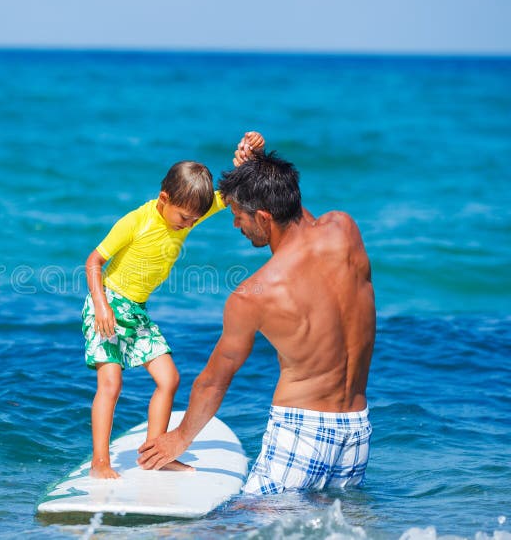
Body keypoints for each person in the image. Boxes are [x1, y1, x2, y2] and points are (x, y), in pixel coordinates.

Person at [137, 142, 376, 495]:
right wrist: (255, 168)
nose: (235, 223)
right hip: (356, 433)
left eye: (238, 215)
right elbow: (294, 214)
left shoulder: (253, 294)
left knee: (246, 521)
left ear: (263, 218)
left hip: (300, 432)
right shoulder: (345, 230)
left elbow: (213, 382)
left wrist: (179, 438)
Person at [83, 132, 266, 479]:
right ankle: (100, 463)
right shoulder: (135, 222)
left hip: (136, 311)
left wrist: (249, 156)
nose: (189, 224)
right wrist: (102, 306)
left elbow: (231, 193)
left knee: (169, 379)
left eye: (195, 220)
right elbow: (94, 261)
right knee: (111, 383)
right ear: (164, 198)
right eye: (184, 218)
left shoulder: (188, 209)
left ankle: (156, 454)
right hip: (106, 305)